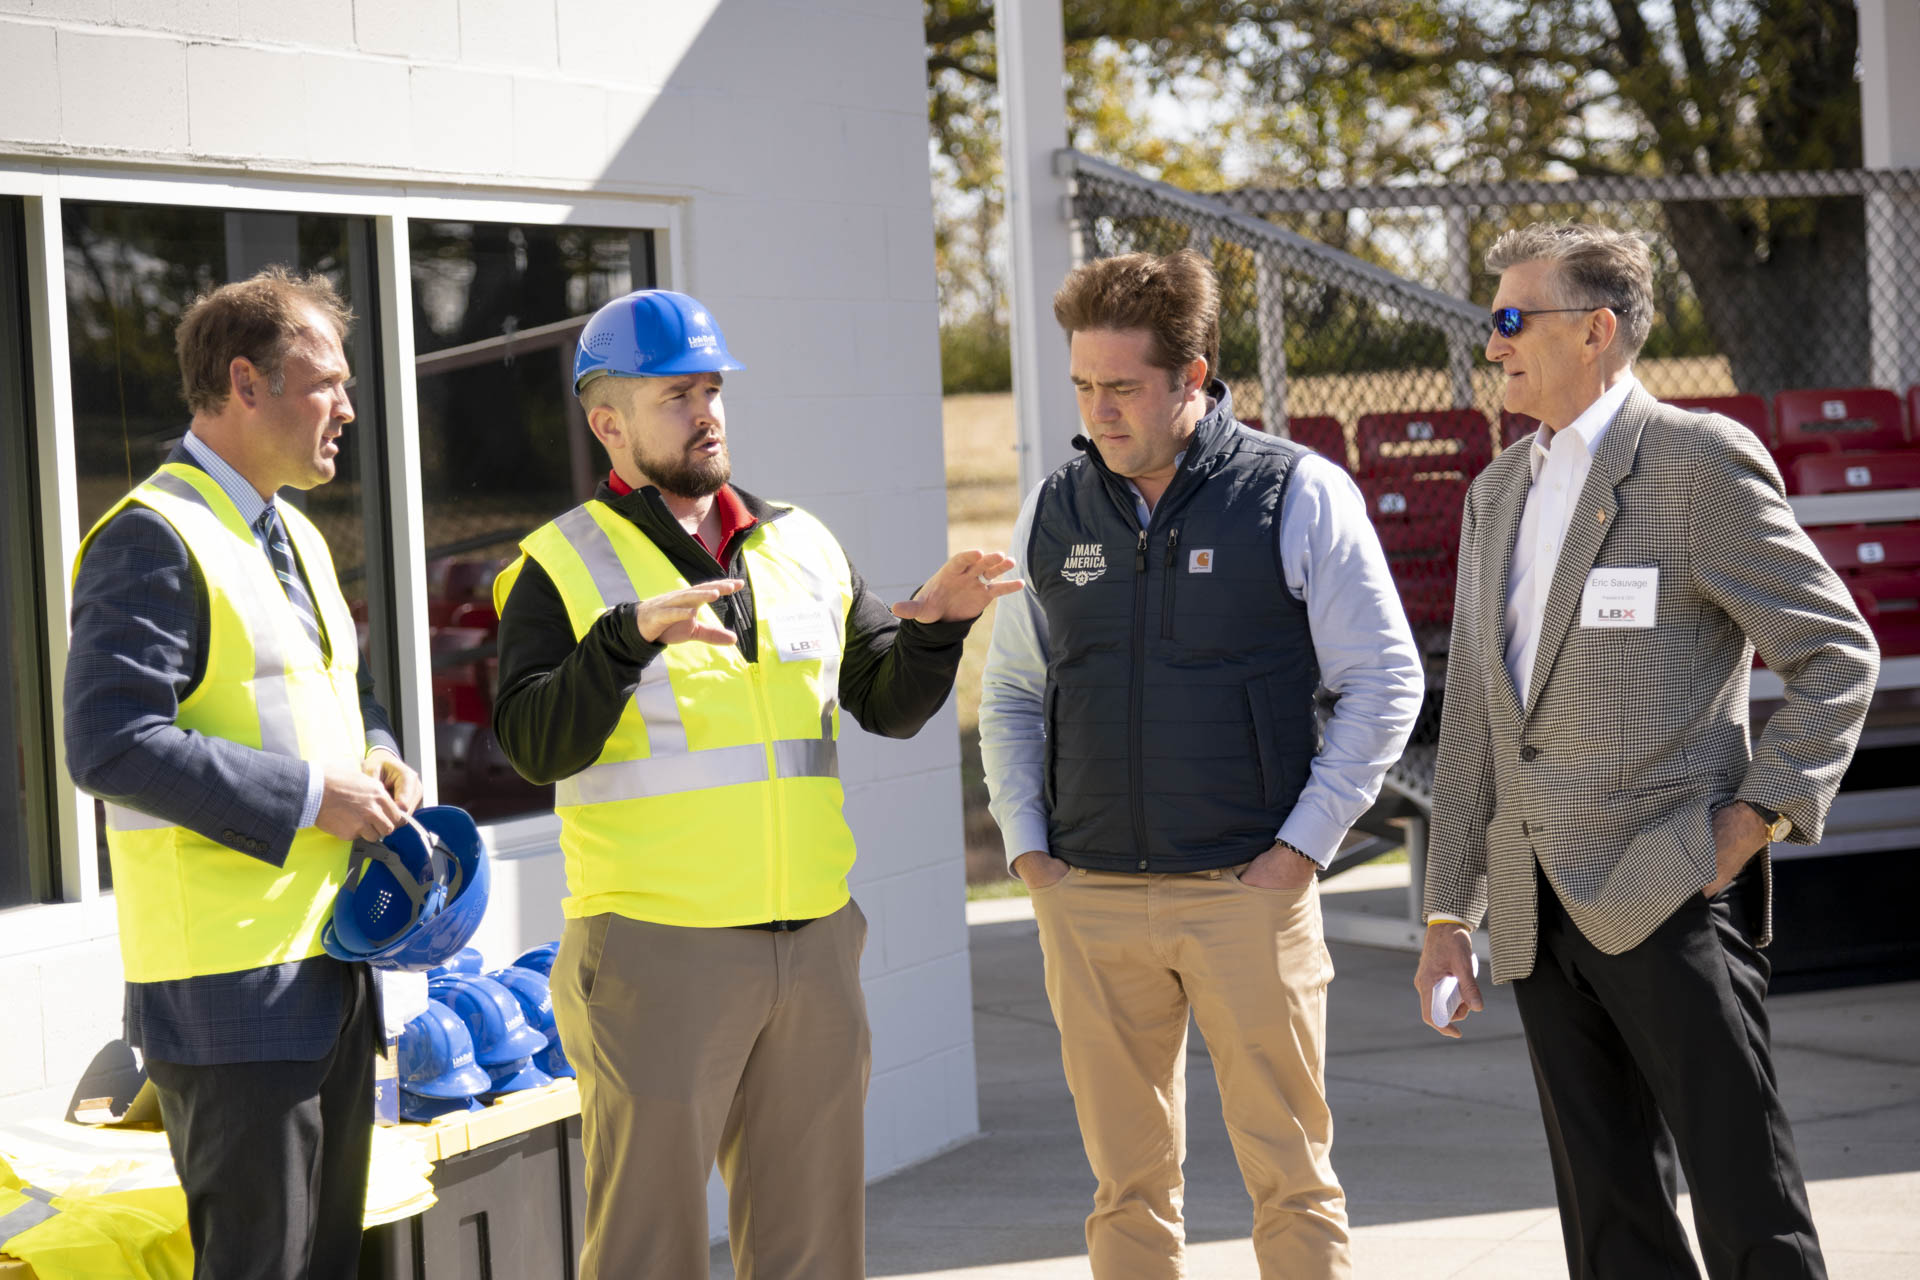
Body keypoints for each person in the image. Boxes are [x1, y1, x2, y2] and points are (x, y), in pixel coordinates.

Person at [489, 288, 1017, 1279]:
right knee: (648, 1252)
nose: (708, 411)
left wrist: (939, 628)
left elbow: (885, 702)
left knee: (812, 1250)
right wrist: (623, 638)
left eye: (713, 388)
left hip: (813, 949)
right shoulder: (558, 564)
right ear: (609, 422)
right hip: (656, 957)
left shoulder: (802, 543)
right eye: (676, 394)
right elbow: (532, 742)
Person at [1415, 222, 1879, 1280]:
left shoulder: (1696, 461)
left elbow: (1836, 652)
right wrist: (1451, 911)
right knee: (1609, 1212)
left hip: (1670, 888)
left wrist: (1753, 816)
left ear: (1598, 330)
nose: (1493, 345)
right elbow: (1483, 725)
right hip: (1537, 911)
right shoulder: (1497, 493)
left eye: (1511, 318)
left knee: (1743, 1192)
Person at [979, 249, 1425, 1279]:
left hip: (1245, 892)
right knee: (1125, 1191)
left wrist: (1300, 849)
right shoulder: (1055, 508)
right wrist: (1031, 852)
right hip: (1089, 895)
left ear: (1194, 375)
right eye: (1085, 386)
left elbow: (1384, 679)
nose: (1100, 410)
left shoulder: (1295, 491)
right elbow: (1010, 689)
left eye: (1124, 387)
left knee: (1292, 1175)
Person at [65, 267, 423, 1279]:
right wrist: (317, 798)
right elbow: (106, 740)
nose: (347, 408)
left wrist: (382, 760)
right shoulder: (150, 535)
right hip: (229, 996)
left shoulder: (297, 530)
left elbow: (346, 699)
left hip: (330, 973)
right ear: (243, 382)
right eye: (326, 383)